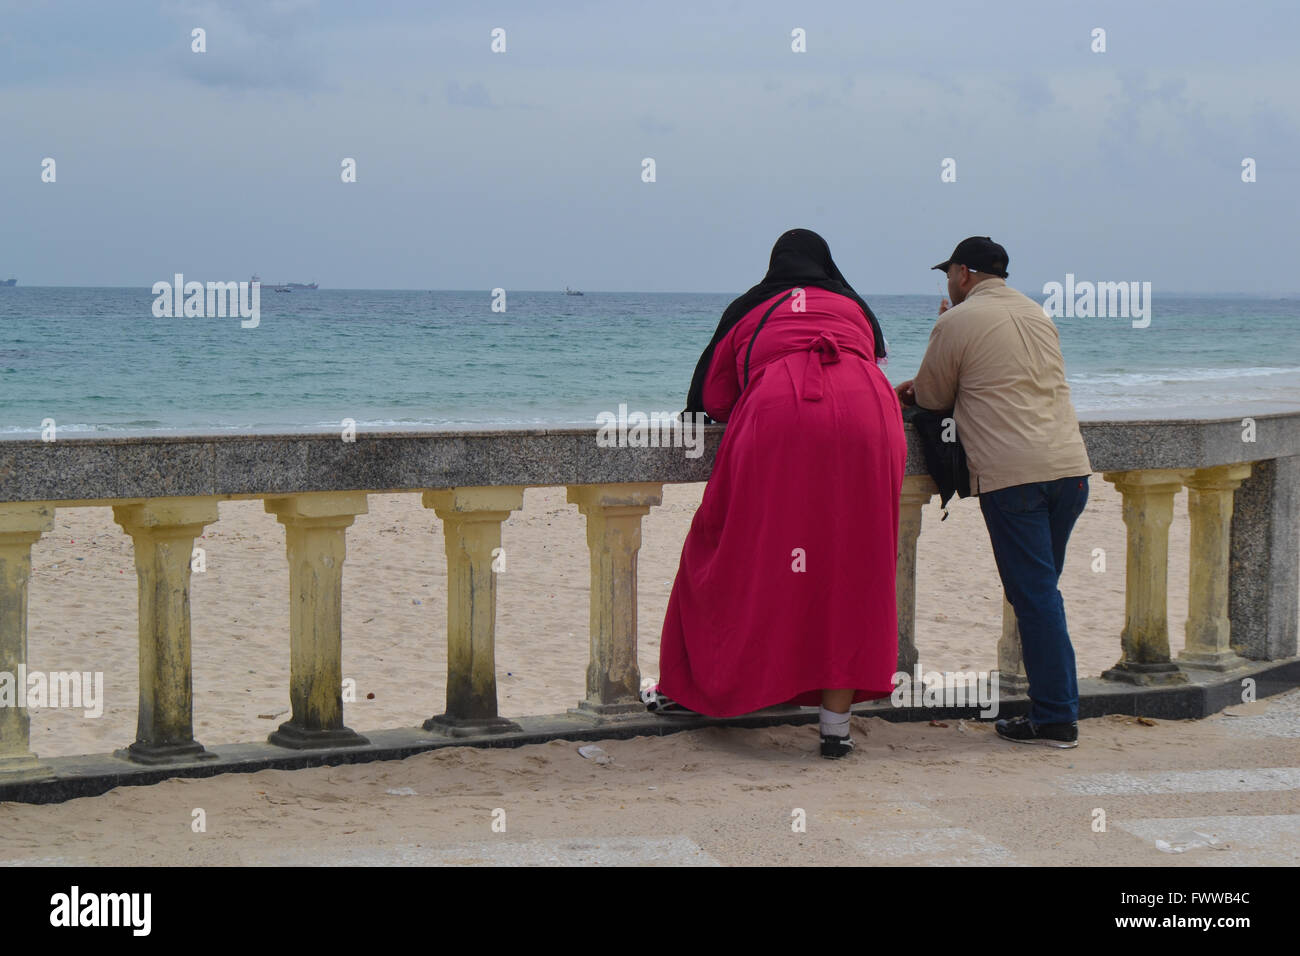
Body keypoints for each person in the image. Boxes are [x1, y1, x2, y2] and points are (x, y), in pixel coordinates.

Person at [645, 228, 907, 759]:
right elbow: (876, 359)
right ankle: (836, 727)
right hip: (871, 417)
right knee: (853, 568)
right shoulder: (853, 306)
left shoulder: (753, 306)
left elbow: (711, 399)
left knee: (728, 551)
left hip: (783, 417)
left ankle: (714, 691)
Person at [895, 237, 1092, 748]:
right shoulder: (1035, 313)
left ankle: (1056, 719)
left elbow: (935, 395)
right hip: (1070, 469)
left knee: (1036, 597)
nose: (947, 283)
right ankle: (1057, 709)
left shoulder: (955, 319)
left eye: (948, 274)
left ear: (963, 274)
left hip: (1015, 476)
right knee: (1042, 593)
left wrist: (929, 354)